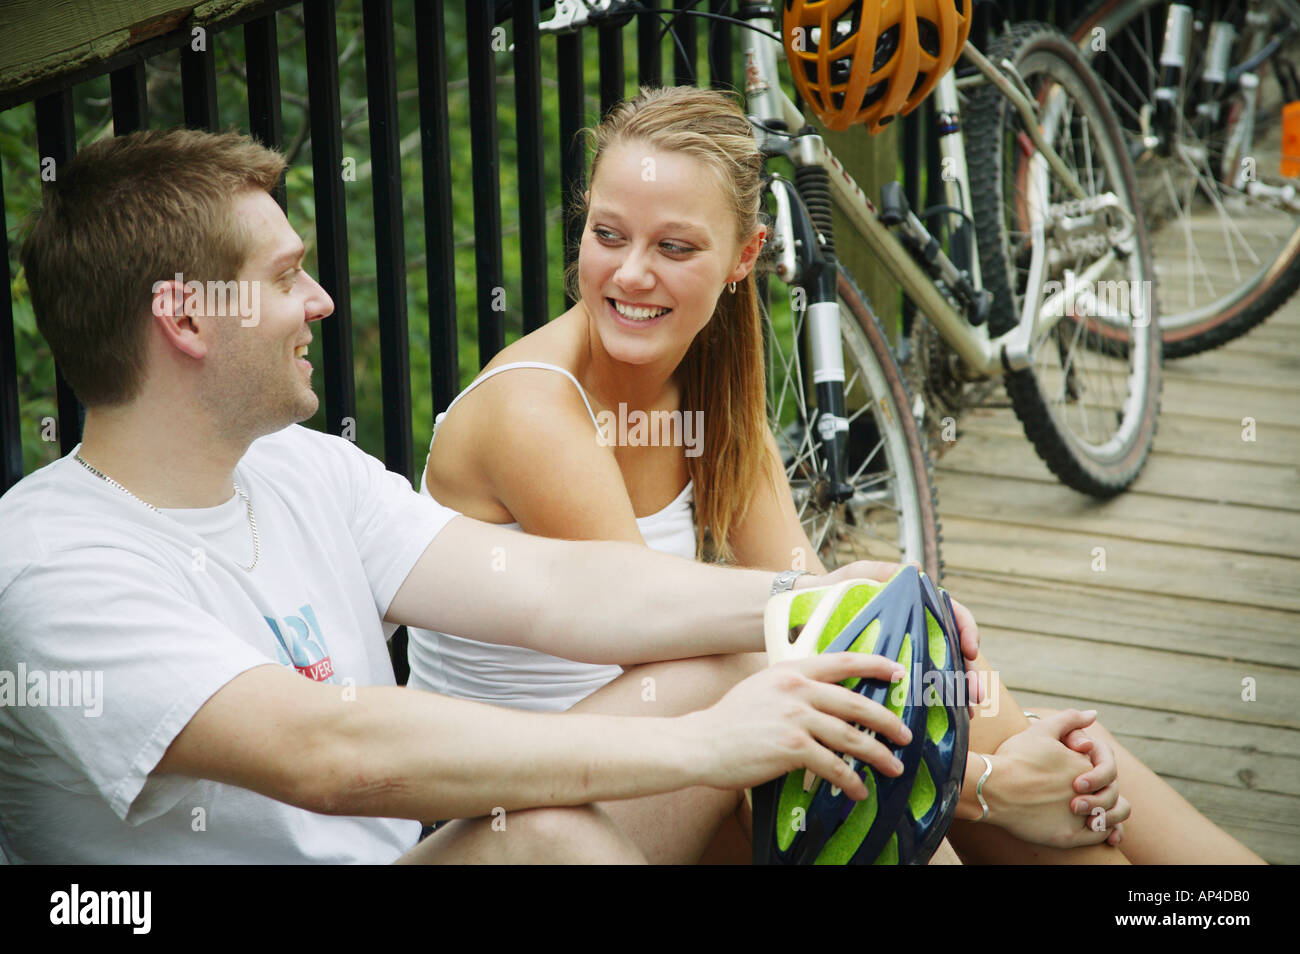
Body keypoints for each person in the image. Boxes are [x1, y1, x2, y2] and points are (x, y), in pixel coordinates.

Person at [0, 127, 935, 865]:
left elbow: (570, 590)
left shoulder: (298, 468)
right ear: (189, 318)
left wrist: (826, 599)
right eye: (287, 277)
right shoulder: (53, 570)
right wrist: (704, 750)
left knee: (751, 666)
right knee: (549, 842)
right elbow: (336, 754)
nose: (321, 301)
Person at [408, 85, 1265, 865]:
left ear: (745, 258)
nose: (630, 273)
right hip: (535, 811)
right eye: (607, 235)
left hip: (686, 766)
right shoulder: (531, 413)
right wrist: (990, 783)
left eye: (674, 246)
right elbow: (680, 640)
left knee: (1033, 743)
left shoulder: (708, 388)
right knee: (934, 776)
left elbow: (824, 617)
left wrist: (1004, 757)